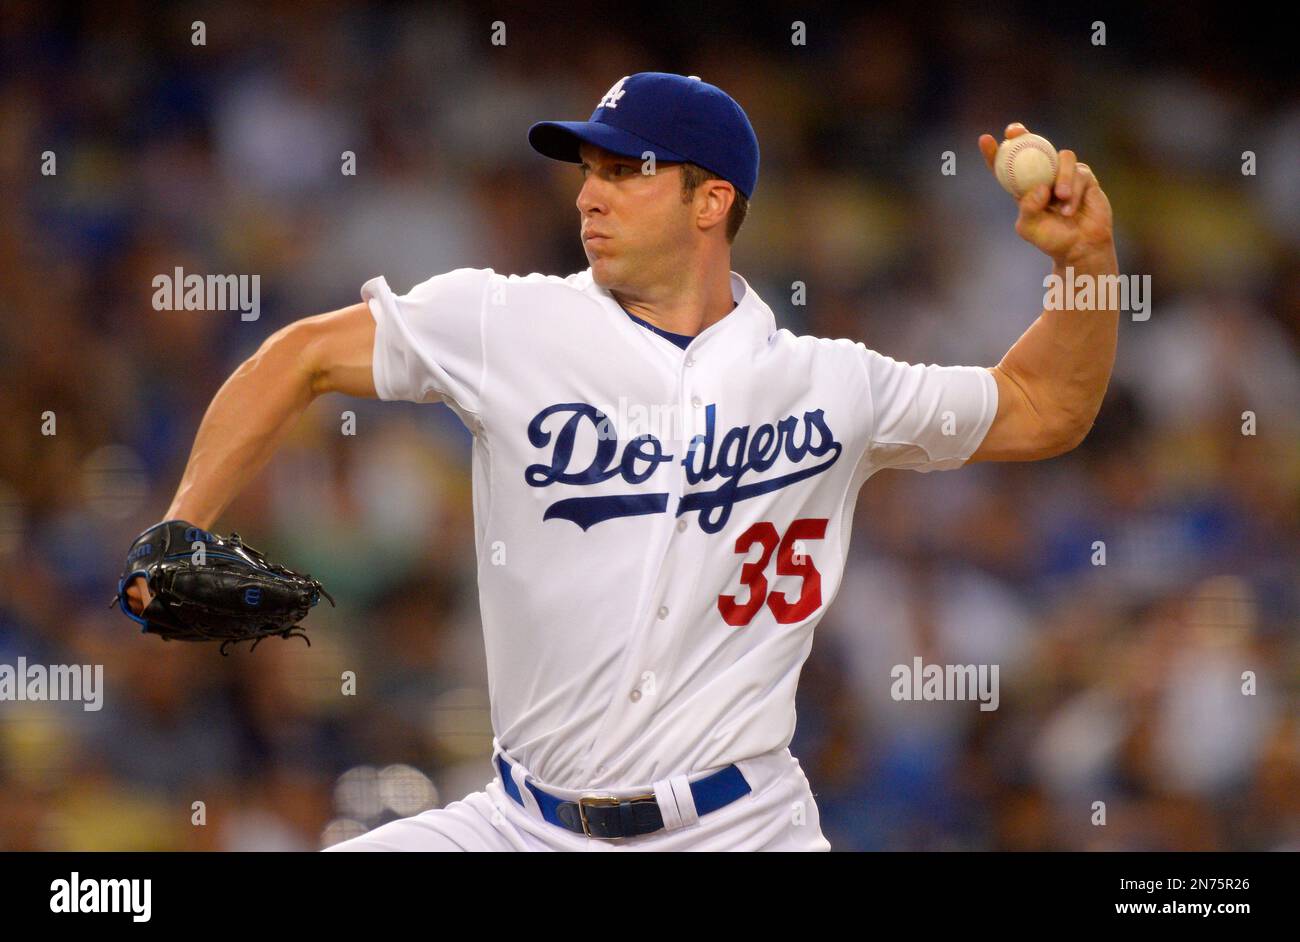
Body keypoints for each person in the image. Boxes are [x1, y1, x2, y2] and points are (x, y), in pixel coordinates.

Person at [125, 72, 1118, 850]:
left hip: (741, 829)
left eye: (624, 170)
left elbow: (1044, 406)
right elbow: (300, 356)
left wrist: (1084, 264)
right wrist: (182, 520)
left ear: (709, 201)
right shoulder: (506, 320)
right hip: (517, 824)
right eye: (586, 171)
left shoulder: (830, 382)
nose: (590, 195)